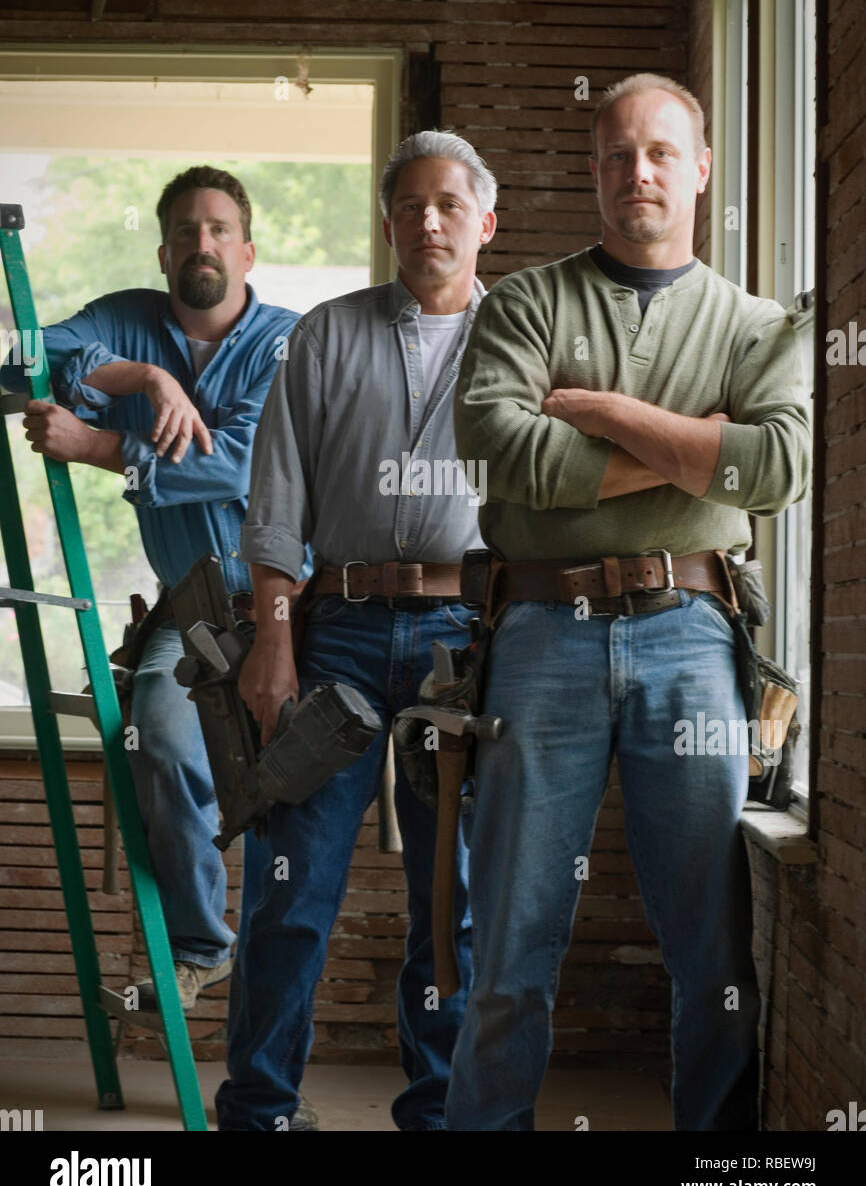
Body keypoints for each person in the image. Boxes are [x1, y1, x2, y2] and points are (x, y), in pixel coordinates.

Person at [446, 73, 811, 1131]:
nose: (634, 172)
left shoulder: (754, 325)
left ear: (700, 168)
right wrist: (694, 447)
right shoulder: (520, 302)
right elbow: (499, 451)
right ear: (590, 171)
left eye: (657, 152)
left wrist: (603, 413)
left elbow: (778, 466)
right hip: (536, 634)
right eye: (613, 154)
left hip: (693, 637)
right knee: (510, 936)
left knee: (710, 946)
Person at [215, 130, 498, 1131]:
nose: (427, 220)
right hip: (329, 629)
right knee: (290, 891)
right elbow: (277, 498)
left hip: (461, 642)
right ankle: (258, 1111)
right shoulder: (323, 336)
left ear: (482, 224)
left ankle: (435, 1111)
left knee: (448, 898)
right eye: (409, 206)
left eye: (447, 205)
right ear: (387, 226)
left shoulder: (518, 339)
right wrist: (272, 637)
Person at [1, 166, 306, 1023]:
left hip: (294, 604)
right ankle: (203, 946)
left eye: (217, 230)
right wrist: (141, 378)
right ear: (164, 248)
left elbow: (240, 459)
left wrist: (102, 444)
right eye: (183, 231)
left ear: (247, 251)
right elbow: (25, 356)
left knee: (297, 787)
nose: (199, 244)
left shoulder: (290, 341)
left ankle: (273, 1037)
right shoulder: (127, 316)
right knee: (161, 742)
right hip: (190, 609)